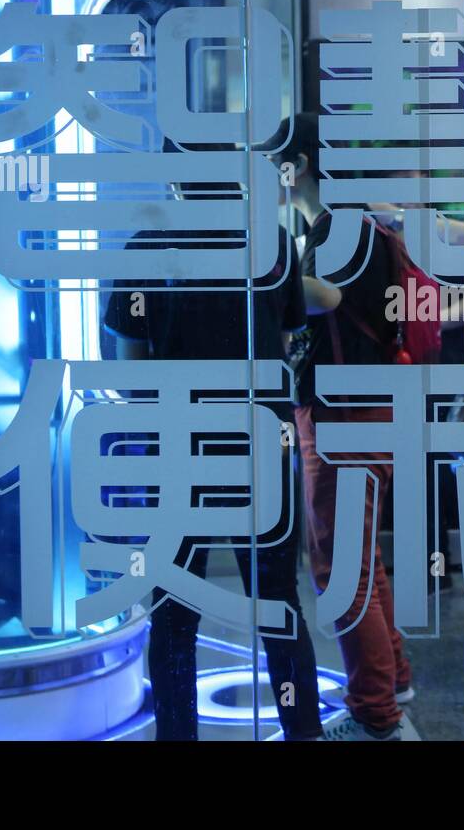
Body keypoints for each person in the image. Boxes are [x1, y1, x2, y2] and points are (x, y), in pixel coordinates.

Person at [102, 138, 325, 741]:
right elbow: (287, 344)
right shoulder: (271, 245)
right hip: (260, 448)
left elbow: (129, 372)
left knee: (174, 612)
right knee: (278, 606)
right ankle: (302, 732)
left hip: (181, 450)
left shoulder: (148, 248)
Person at [284, 114, 417, 741]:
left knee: (342, 568)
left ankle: (375, 718)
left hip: (345, 418)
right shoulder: (360, 219)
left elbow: (326, 301)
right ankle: (392, 685)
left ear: (299, 164)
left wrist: (264, 277)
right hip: (366, 410)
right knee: (362, 563)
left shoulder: (337, 226)